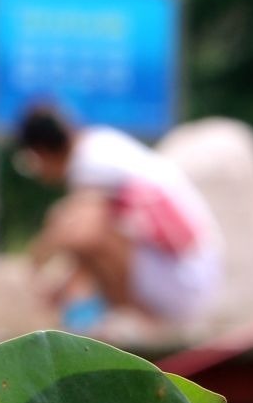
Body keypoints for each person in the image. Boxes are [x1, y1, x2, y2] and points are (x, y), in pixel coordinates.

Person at [17, 106, 223, 328]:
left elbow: (84, 235)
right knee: (81, 229)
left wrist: (38, 256)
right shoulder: (100, 144)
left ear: (41, 153)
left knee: (82, 230)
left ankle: (131, 321)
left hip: (186, 277)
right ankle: (103, 317)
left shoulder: (90, 161)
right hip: (191, 272)